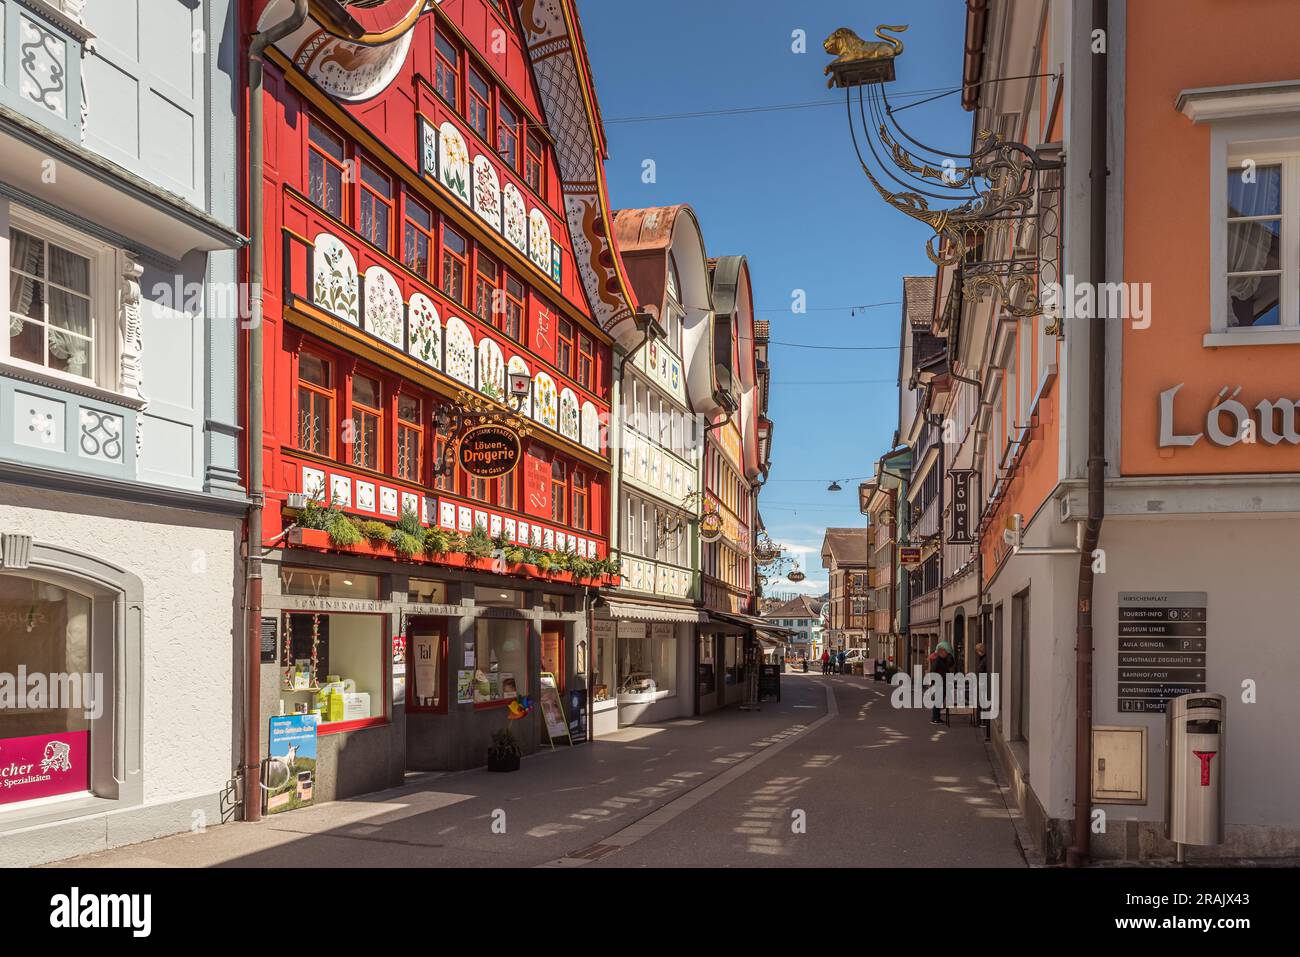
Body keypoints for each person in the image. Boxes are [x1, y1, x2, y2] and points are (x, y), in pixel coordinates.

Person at [930, 640, 954, 724]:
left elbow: (950, 664)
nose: (947, 653)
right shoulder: (938, 661)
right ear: (941, 652)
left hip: (943, 683)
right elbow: (933, 671)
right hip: (940, 683)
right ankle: (935, 718)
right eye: (945, 652)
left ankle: (937, 717)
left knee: (939, 701)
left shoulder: (943, 660)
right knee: (938, 700)